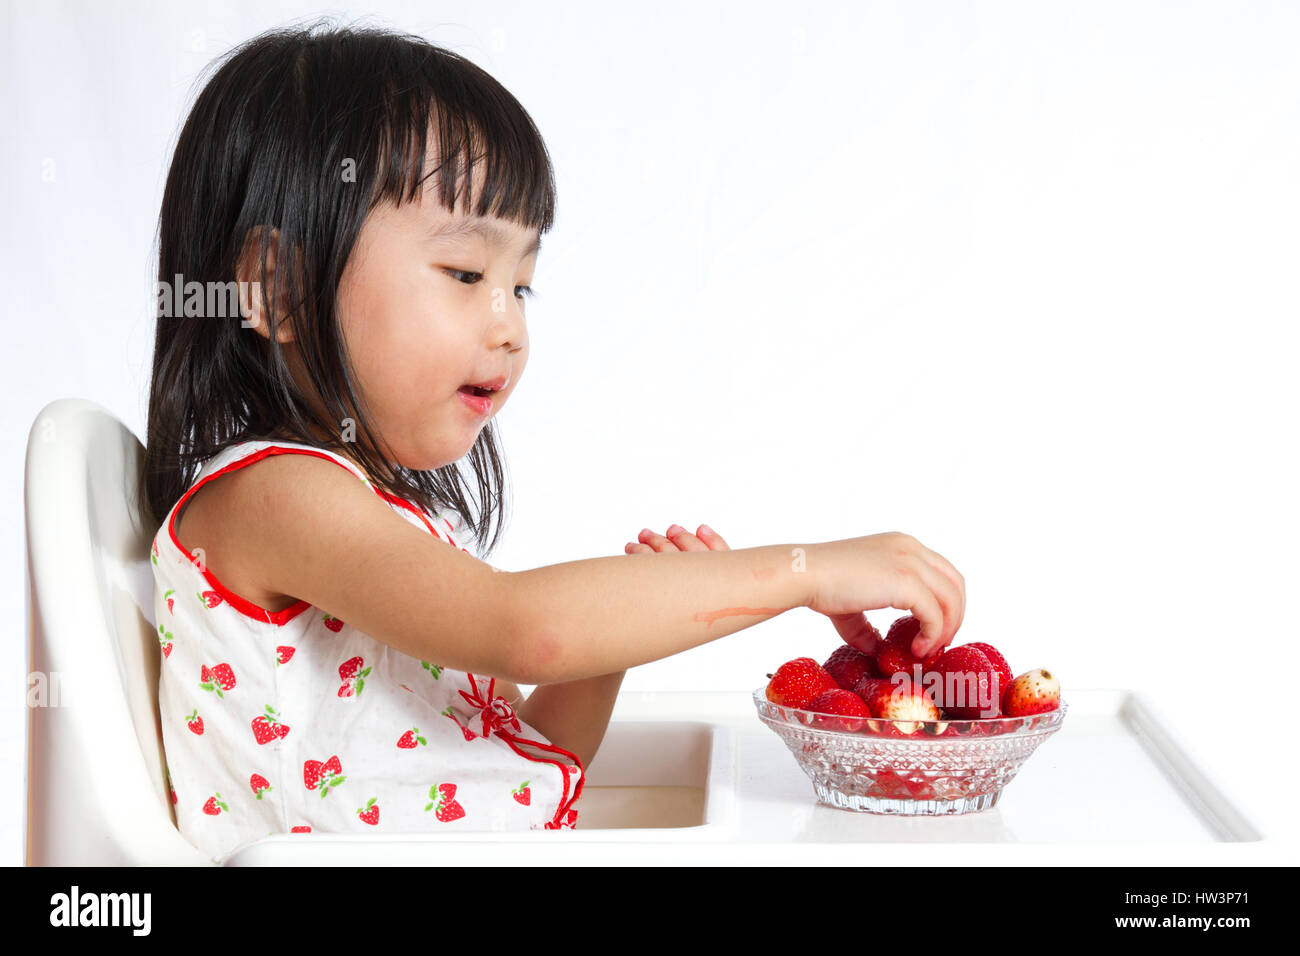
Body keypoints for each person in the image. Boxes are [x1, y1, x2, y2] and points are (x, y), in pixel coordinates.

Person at [140, 21, 965, 863]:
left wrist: (622, 638)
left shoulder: (391, 526)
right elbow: (525, 628)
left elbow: (525, 765)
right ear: (277, 288)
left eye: (522, 286)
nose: (508, 329)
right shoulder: (275, 498)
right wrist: (806, 570)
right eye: (466, 274)